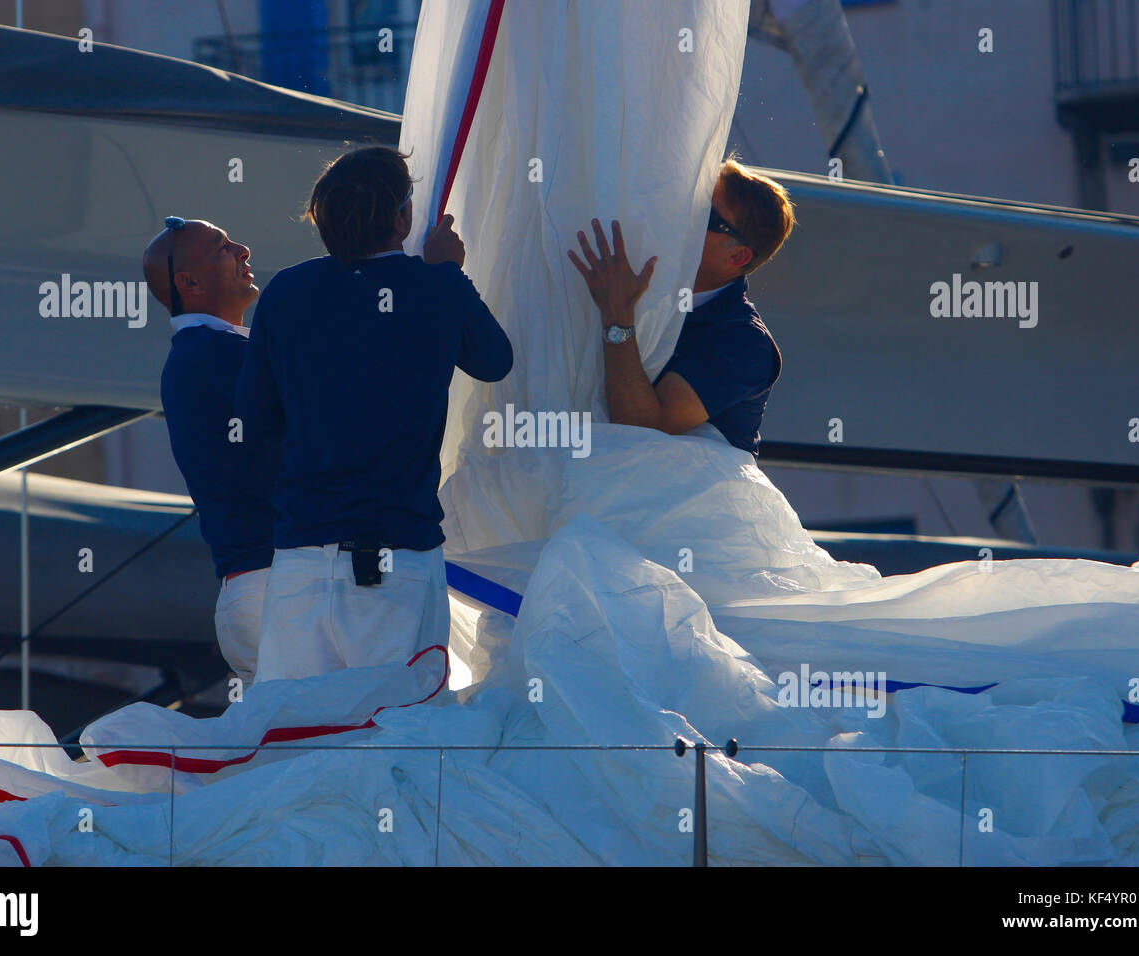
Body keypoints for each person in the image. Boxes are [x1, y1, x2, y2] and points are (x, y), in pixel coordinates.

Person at [235, 146, 513, 683]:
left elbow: (255, 420)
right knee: (396, 745)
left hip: (298, 558)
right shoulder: (433, 288)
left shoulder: (286, 292)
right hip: (398, 556)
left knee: (290, 741)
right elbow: (495, 361)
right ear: (403, 216)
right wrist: (449, 275)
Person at [568, 157, 794, 455]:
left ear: (737, 256)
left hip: (674, 497)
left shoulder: (748, 346)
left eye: (706, 215)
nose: (685, 216)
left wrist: (617, 316)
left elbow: (642, 427)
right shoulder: (651, 281)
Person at [144, 217, 280, 685]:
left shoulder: (204, 354)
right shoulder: (217, 356)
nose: (243, 249)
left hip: (260, 589)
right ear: (190, 282)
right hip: (278, 590)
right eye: (224, 247)